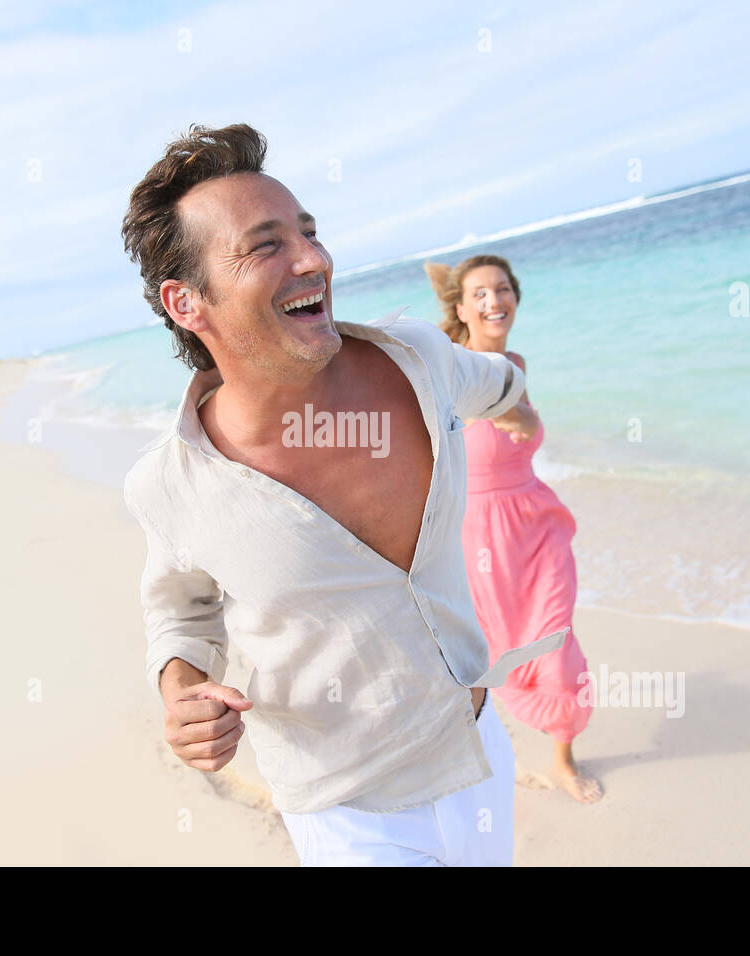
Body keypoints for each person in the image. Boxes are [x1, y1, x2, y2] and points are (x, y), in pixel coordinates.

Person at [120, 124, 565, 866]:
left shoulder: (417, 363)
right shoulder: (171, 485)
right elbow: (181, 607)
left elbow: (494, 380)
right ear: (187, 302)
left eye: (310, 232)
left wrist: (519, 402)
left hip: (479, 746)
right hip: (346, 807)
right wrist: (181, 694)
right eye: (266, 245)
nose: (313, 259)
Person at [426, 255, 603, 804]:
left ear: (516, 298)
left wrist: (511, 409)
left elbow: (522, 427)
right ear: (460, 308)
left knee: (558, 647)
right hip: (478, 538)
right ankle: (492, 755)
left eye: (502, 289)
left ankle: (563, 757)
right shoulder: (449, 370)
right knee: (497, 653)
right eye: (478, 293)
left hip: (537, 525)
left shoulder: (516, 363)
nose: (493, 301)